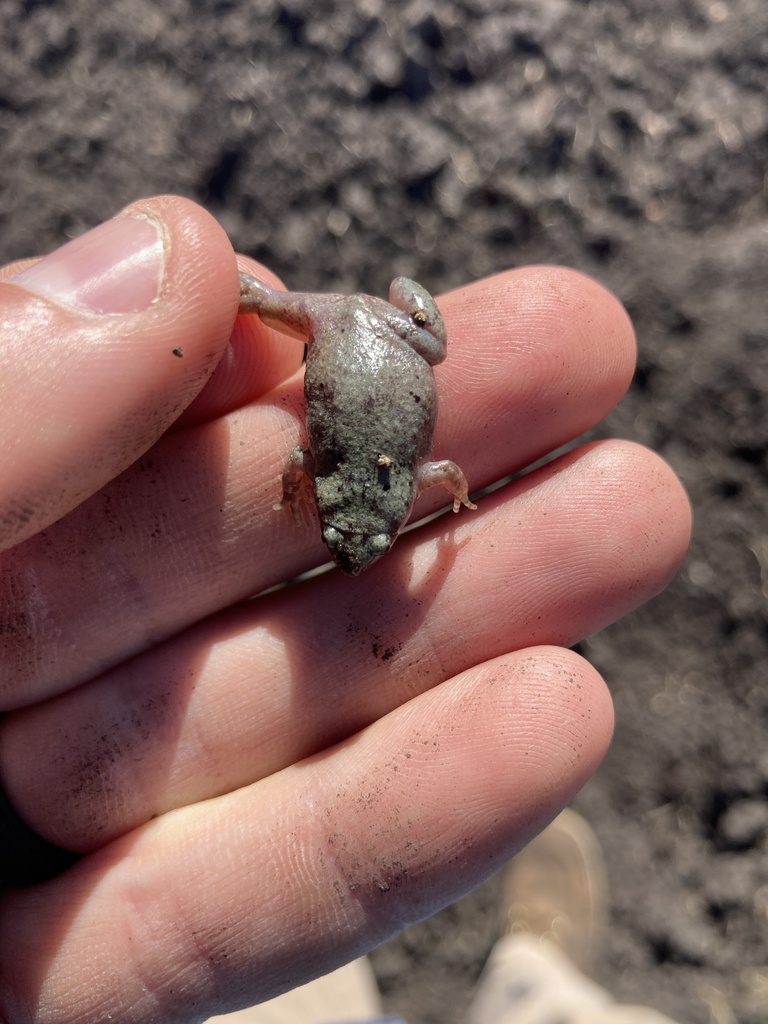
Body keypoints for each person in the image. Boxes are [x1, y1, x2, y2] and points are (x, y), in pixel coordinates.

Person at [0, 195, 691, 1023]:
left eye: (363, 527)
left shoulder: (407, 483)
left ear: (397, 499)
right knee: (270, 306)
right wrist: (334, 474)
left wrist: (446, 489)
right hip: (349, 333)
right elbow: (326, 457)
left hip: (373, 346)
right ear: (333, 493)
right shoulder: (364, 472)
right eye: (338, 526)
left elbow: (434, 474)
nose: (352, 548)